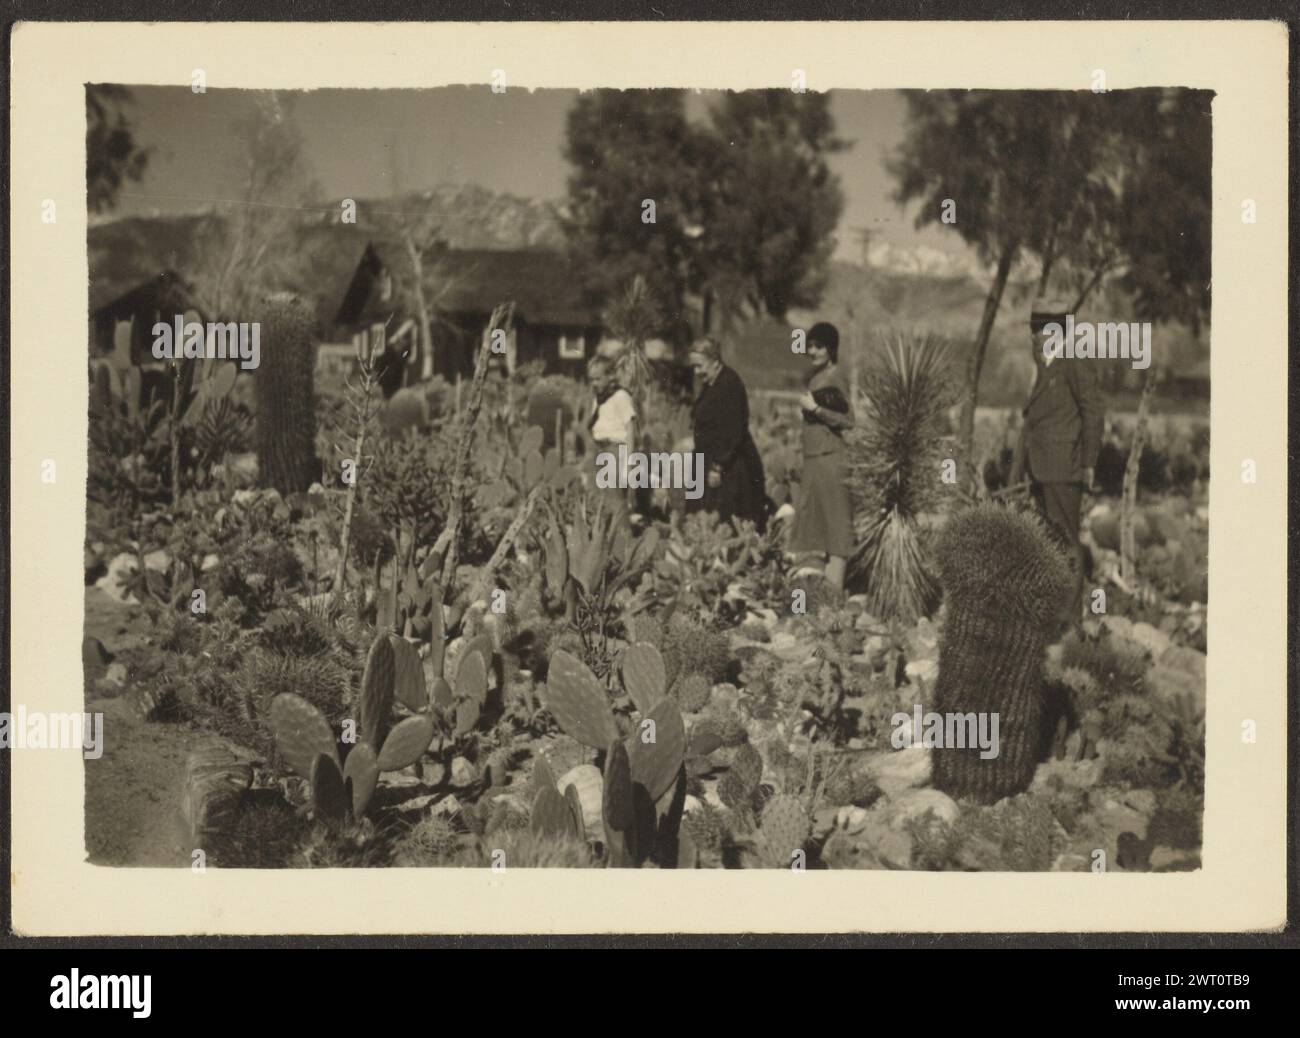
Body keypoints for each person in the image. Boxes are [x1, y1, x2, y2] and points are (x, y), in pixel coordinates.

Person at [1010, 297, 1105, 626]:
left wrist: (1089, 462)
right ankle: (1053, 614)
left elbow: (1093, 412)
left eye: (1037, 330)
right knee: (1049, 540)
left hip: (1064, 466)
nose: (1032, 338)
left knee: (1065, 540)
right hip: (1043, 467)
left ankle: (1070, 620)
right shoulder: (1046, 364)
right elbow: (1033, 420)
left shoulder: (1074, 361)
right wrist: (1018, 471)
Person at [790, 322, 855, 592]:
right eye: (810, 345)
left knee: (836, 521)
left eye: (819, 346)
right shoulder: (815, 377)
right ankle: (822, 592)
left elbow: (849, 420)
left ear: (831, 349)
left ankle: (834, 591)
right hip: (814, 458)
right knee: (815, 522)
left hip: (830, 457)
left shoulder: (836, 376)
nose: (812, 350)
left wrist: (815, 409)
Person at [687, 336, 768, 531]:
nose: (697, 372)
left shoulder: (729, 384)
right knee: (699, 521)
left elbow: (733, 430)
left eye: (700, 366)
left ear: (715, 362)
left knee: (722, 522)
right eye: (694, 367)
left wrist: (718, 466)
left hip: (728, 466)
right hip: (706, 460)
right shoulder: (712, 383)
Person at [585, 354, 636, 520]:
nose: (594, 383)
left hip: (615, 451)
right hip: (599, 449)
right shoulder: (599, 398)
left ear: (610, 376)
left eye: (598, 379)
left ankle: (624, 540)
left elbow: (630, 430)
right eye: (591, 379)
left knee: (615, 501)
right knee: (597, 498)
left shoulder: (620, 396)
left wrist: (628, 464)